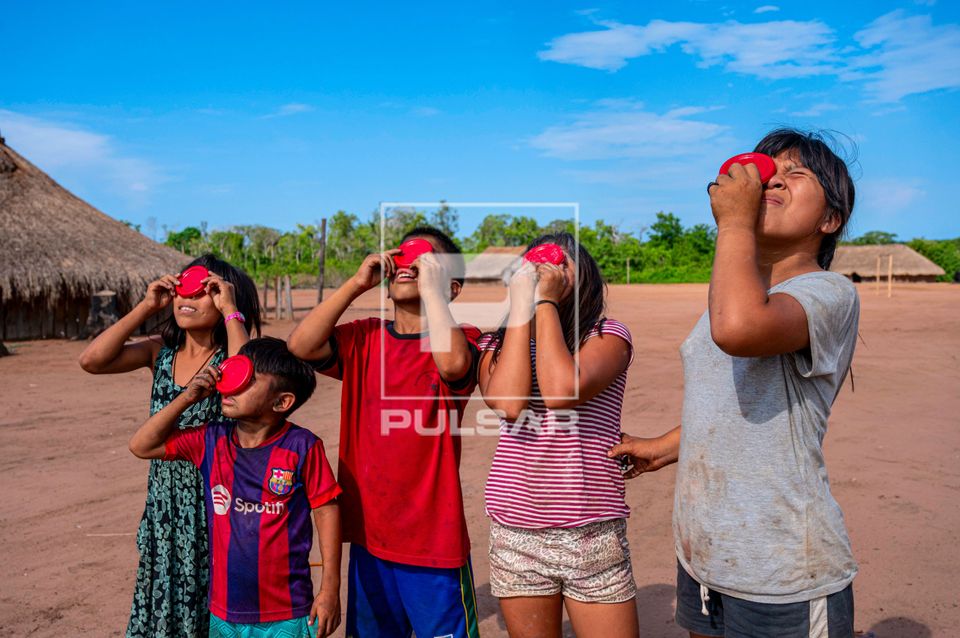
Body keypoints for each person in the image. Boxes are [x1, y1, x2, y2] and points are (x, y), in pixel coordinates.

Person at [610, 128, 859, 637]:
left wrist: (735, 223)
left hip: (784, 567)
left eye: (796, 174)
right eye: (768, 172)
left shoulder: (828, 292)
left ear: (831, 219)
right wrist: (663, 447)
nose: (772, 180)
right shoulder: (736, 294)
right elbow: (730, 403)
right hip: (707, 554)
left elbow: (738, 329)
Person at [287, 226, 482, 638]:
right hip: (369, 539)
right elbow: (301, 347)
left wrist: (432, 289)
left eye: (426, 262)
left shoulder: (463, 339)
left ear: (454, 288)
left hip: (434, 546)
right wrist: (357, 284)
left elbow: (451, 367)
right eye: (404, 261)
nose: (409, 266)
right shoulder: (364, 338)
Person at [79, 254, 261, 637]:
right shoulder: (159, 351)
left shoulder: (234, 356)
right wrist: (147, 306)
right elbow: (92, 360)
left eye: (206, 290)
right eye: (183, 289)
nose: (187, 297)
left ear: (230, 298)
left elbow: (250, 381)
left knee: (218, 605)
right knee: (164, 600)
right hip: (167, 506)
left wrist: (231, 311)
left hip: (219, 502)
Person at [477, 232, 639, 638]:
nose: (548, 269)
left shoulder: (606, 335)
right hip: (516, 531)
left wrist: (545, 301)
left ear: (584, 277)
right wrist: (522, 308)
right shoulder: (497, 343)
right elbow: (509, 404)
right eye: (537, 263)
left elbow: (561, 392)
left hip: (591, 529)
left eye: (562, 262)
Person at [128, 337, 342, 638]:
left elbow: (326, 509)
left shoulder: (302, 446)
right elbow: (141, 445)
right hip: (223, 611)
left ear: (282, 402)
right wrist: (187, 397)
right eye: (233, 372)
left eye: (249, 379)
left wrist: (330, 589)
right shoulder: (210, 440)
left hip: (287, 612)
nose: (231, 383)